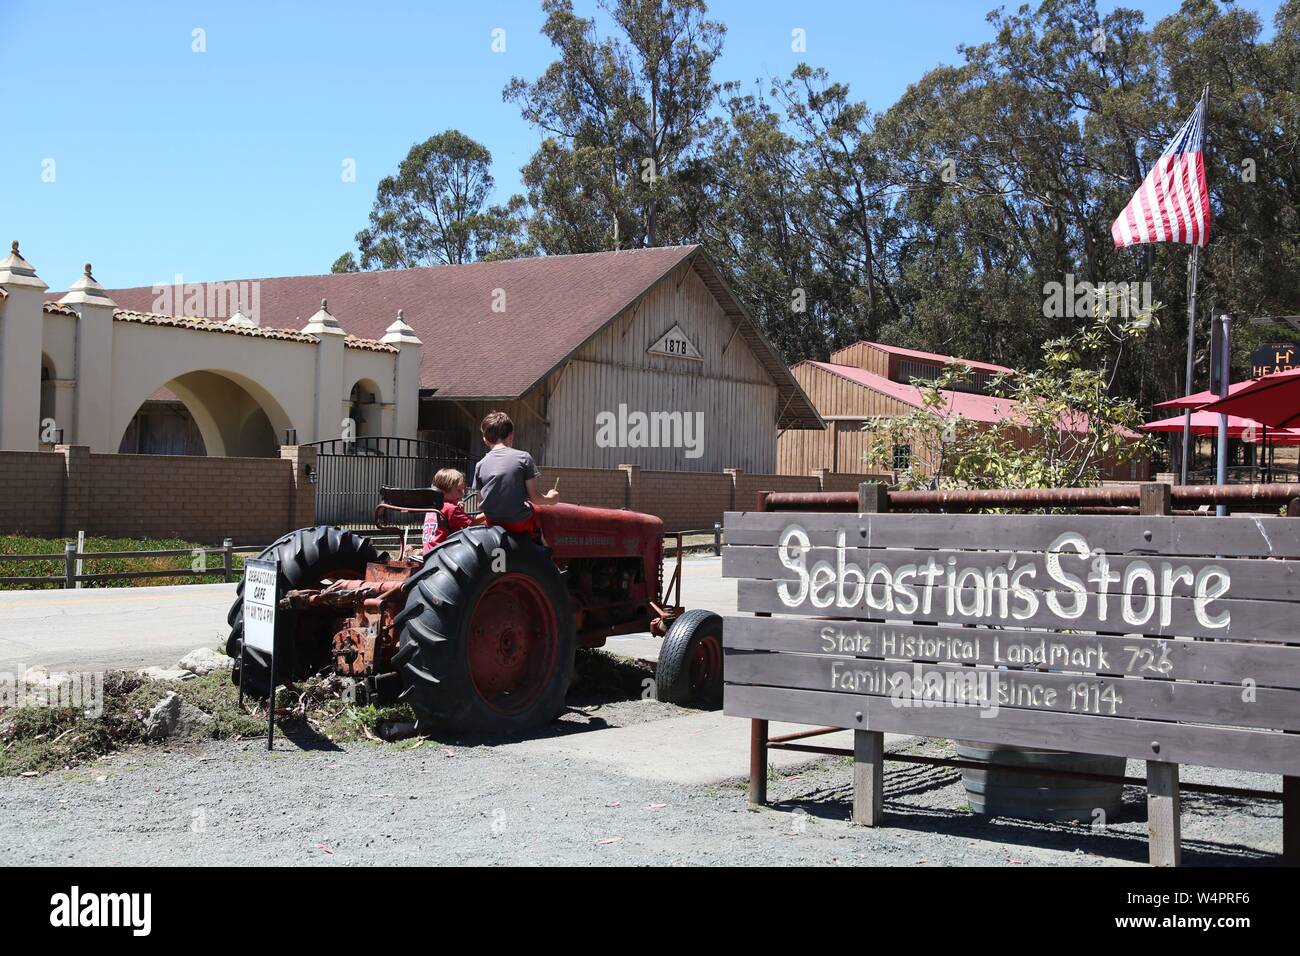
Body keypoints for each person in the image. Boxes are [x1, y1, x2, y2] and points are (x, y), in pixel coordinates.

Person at [473, 411, 559, 538]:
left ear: (485, 440)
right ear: (511, 436)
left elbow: (480, 505)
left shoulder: (480, 464)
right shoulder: (524, 458)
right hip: (519, 524)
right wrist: (551, 498)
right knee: (542, 531)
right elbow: (535, 498)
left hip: (492, 524)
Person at [421, 468, 473, 555]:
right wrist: (487, 514)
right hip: (443, 554)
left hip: (428, 551)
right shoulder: (451, 509)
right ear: (445, 491)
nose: (462, 494)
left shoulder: (432, 508)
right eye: (459, 490)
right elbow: (473, 524)